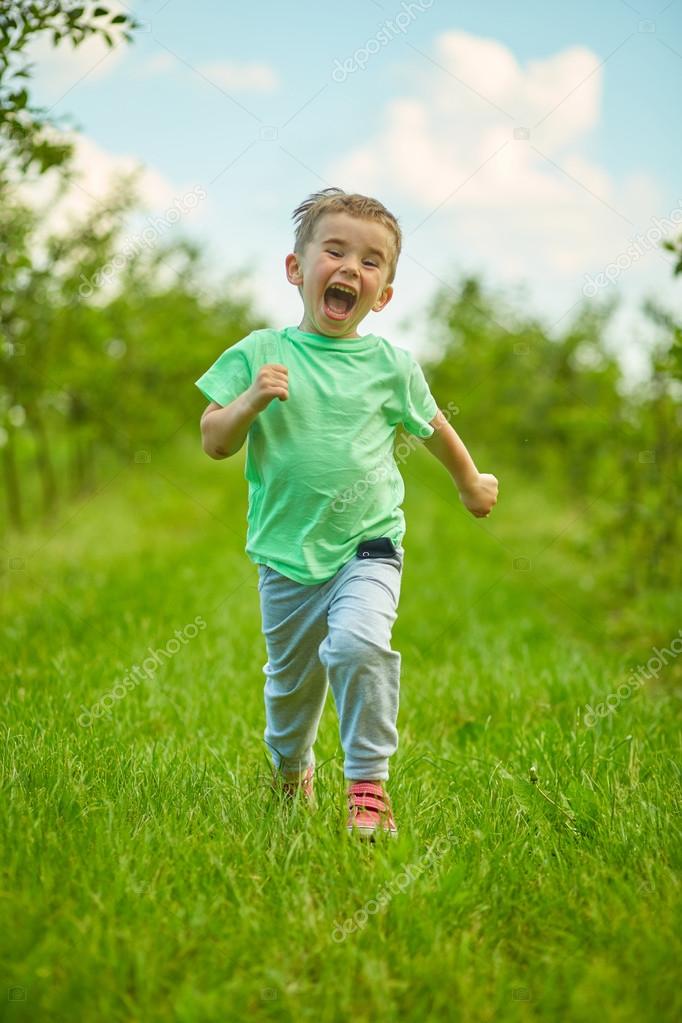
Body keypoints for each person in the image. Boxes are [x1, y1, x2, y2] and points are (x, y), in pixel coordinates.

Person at [195, 188, 498, 839]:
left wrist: (470, 480)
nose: (350, 268)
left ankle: (367, 785)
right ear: (296, 269)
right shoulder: (260, 351)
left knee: (360, 644)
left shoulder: (391, 365)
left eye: (370, 260)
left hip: (370, 542)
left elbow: (434, 424)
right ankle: (289, 769)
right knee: (290, 693)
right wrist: (250, 400)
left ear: (383, 293)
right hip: (285, 554)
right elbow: (215, 439)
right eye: (334, 250)